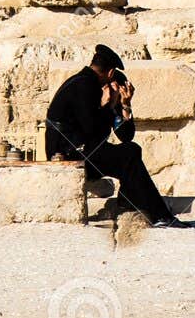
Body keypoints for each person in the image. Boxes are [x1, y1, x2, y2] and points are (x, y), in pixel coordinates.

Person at [44, 43, 182, 228]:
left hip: (84, 149)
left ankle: (130, 205)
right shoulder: (83, 85)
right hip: (68, 152)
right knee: (128, 155)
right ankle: (158, 214)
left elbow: (126, 136)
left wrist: (125, 105)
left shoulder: (97, 86)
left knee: (131, 150)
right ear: (110, 73)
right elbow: (93, 132)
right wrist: (108, 106)